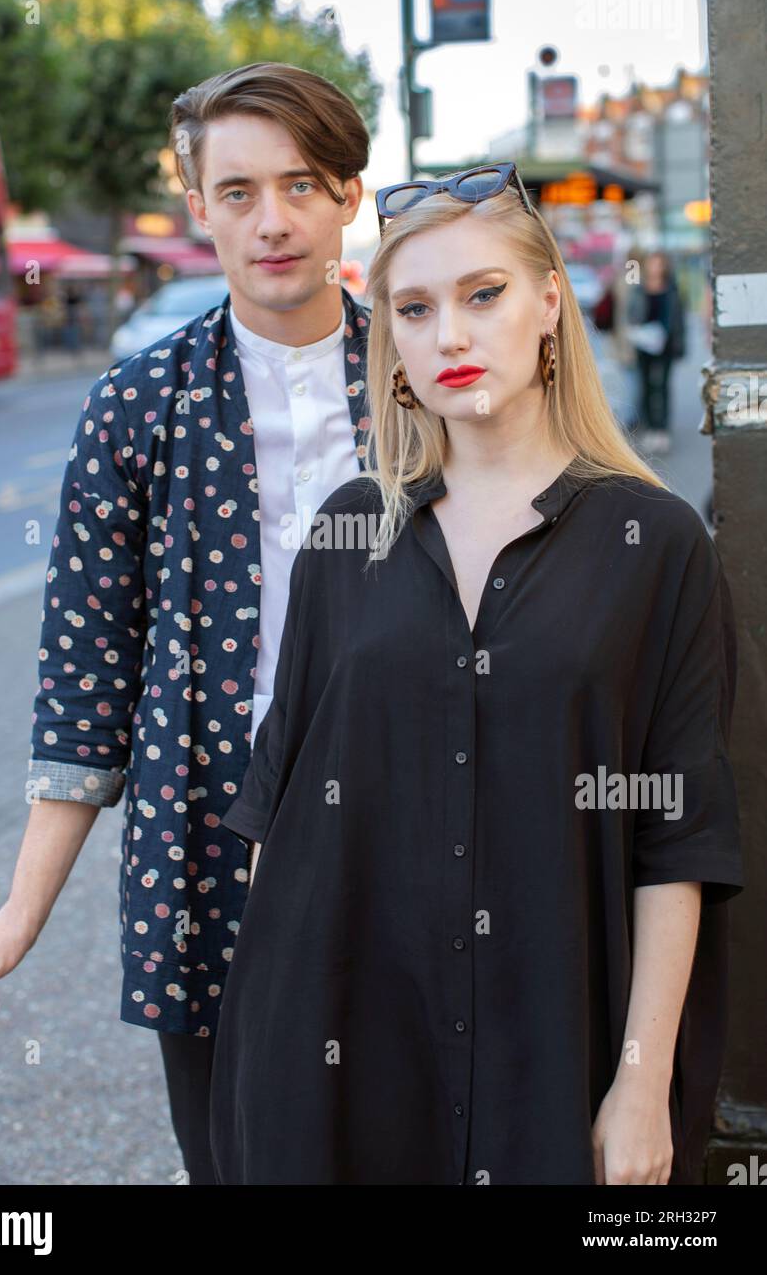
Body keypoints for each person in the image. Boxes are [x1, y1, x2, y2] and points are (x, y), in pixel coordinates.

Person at [210, 165, 744, 1185]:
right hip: (347, 1058)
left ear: (549, 304)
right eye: (413, 308)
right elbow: (280, 818)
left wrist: (639, 1082)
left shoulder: (654, 541)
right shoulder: (347, 532)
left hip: (554, 1052)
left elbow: (677, 839)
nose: (448, 334)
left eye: (481, 294)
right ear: (391, 343)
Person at [0, 62, 373, 1185]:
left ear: (349, 196)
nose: (272, 221)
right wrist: (18, 914)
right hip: (208, 858)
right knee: (232, 1162)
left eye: (302, 184)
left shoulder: (423, 381)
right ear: (196, 204)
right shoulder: (135, 406)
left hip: (411, 836)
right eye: (236, 192)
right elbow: (85, 677)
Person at [627, 250, 686, 455]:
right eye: (652, 263)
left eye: (659, 264)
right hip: (644, 344)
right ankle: (649, 427)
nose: (655, 268)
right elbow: (632, 313)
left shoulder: (672, 289)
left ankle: (662, 429)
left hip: (666, 346)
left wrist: (679, 345)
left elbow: (679, 320)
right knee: (645, 386)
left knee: (662, 386)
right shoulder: (639, 288)